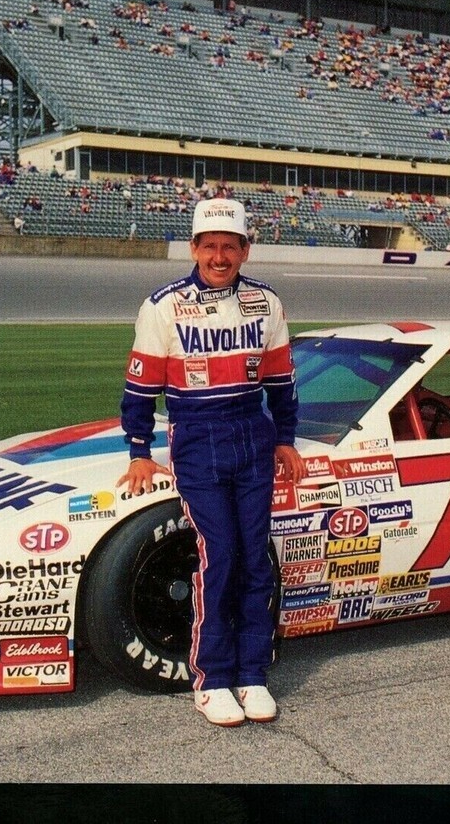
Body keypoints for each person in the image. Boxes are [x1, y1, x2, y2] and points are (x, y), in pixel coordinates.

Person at [117, 197, 304, 728]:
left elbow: (281, 382)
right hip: (197, 440)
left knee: (253, 558)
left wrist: (285, 438)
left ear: (246, 250)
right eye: (210, 246)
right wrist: (137, 452)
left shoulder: (266, 303)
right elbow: (139, 389)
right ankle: (213, 678)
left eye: (230, 246)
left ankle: (252, 674)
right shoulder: (163, 305)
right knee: (219, 554)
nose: (219, 256)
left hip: (253, 436)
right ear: (194, 248)